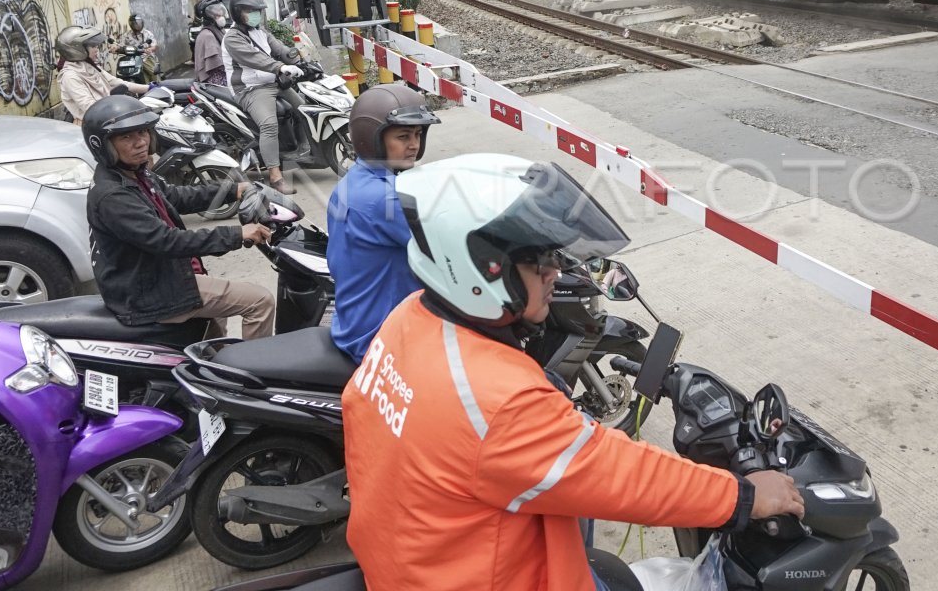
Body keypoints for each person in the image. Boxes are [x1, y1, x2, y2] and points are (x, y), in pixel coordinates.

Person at [342, 154, 805, 591]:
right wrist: (743, 497)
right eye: (537, 259)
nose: (554, 272)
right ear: (479, 267)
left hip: (411, 559)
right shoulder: (499, 400)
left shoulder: (410, 318)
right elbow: (624, 475)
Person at [83, 94, 275, 340]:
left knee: (217, 321)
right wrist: (237, 234)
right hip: (149, 291)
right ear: (104, 145)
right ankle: (253, 376)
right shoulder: (113, 195)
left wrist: (232, 189)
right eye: (126, 137)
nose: (140, 142)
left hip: (158, 276)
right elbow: (167, 241)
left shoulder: (135, 175)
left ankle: (214, 368)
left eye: (142, 133)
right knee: (259, 302)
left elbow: (176, 196)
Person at [327, 85, 440, 362]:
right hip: (383, 336)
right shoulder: (384, 198)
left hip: (356, 320)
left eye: (417, 135)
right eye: (403, 136)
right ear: (371, 139)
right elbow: (444, 249)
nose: (413, 144)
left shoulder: (356, 181)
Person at [220, 0, 308, 194]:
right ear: (237, 12)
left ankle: (302, 148)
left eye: (257, 11)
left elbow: (280, 49)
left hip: (274, 82)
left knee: (304, 108)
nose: (255, 15)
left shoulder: (260, 31)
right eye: (250, 11)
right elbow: (255, 59)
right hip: (251, 89)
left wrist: (299, 59)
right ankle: (275, 177)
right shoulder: (232, 38)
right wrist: (280, 67)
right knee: (269, 125)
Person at [56, 24, 149, 126]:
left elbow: (117, 83)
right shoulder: (70, 76)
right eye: (92, 46)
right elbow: (90, 106)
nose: (97, 49)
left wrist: (151, 87)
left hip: (110, 119)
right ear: (77, 49)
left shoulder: (91, 67)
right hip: (92, 127)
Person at [192, 0, 230, 85]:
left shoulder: (218, 30)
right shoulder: (207, 35)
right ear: (208, 17)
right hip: (214, 78)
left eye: (221, 14)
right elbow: (217, 64)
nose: (221, 17)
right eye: (217, 15)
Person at [118, 12, 159, 81]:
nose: (137, 25)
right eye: (134, 24)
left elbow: (155, 46)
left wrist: (150, 49)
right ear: (131, 25)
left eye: (138, 22)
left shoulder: (147, 33)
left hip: (146, 57)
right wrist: (114, 48)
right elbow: (119, 45)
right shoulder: (127, 35)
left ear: (142, 22)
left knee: (153, 73)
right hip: (132, 59)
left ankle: (158, 85)